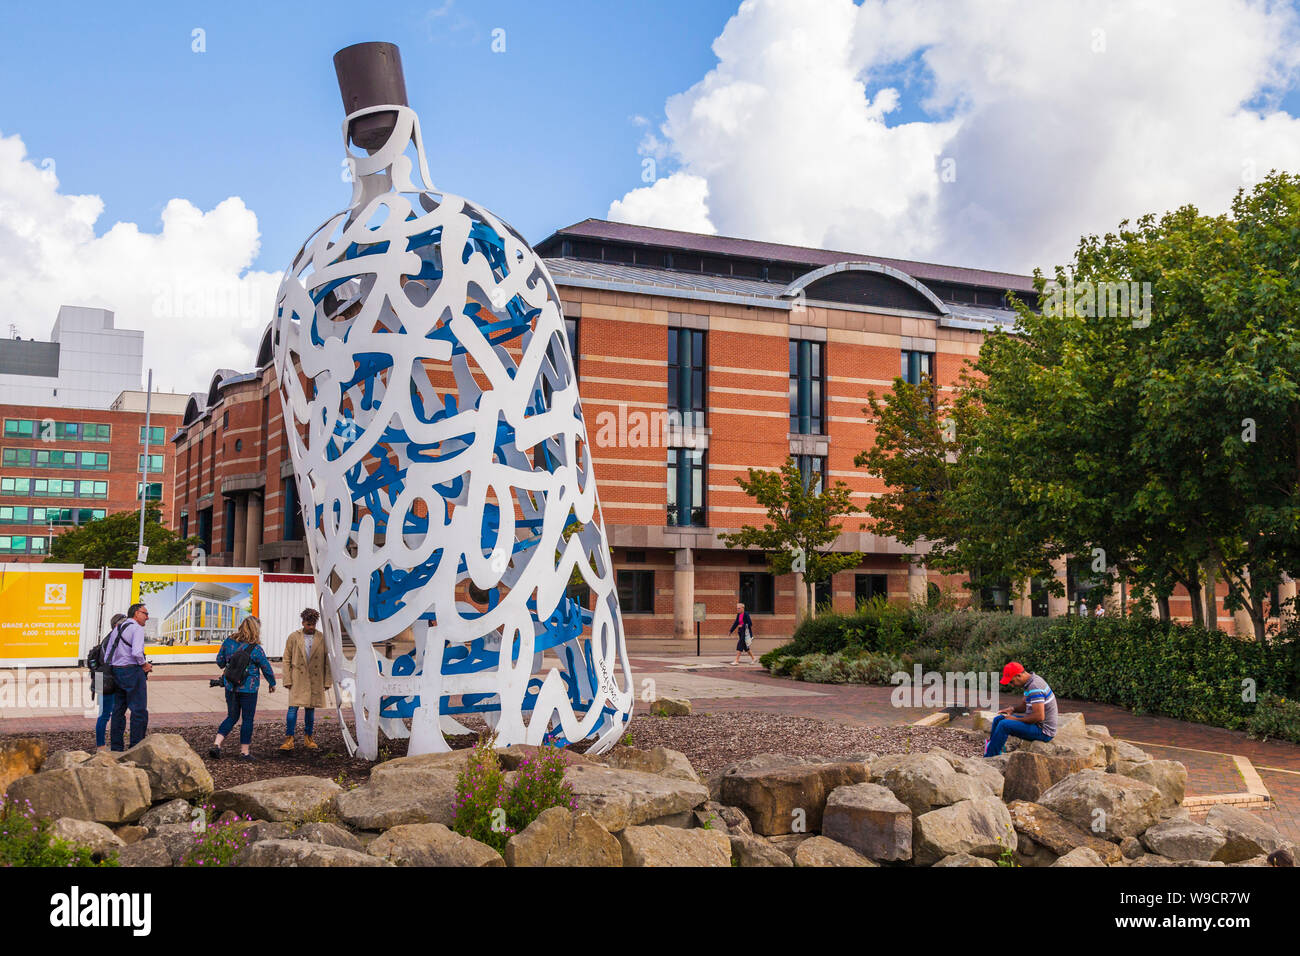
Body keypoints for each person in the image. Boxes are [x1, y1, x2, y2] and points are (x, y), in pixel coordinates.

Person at [209, 616, 276, 761]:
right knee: (247, 719)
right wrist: (272, 683)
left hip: (230, 686)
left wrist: (229, 664)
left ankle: (217, 744)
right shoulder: (257, 649)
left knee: (232, 716)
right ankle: (244, 752)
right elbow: (266, 668)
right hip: (249, 689)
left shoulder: (228, 642)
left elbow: (219, 661)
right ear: (255, 629)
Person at [279, 608, 331, 752]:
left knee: (310, 710)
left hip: (314, 678)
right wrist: (287, 679)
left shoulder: (322, 638)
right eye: (309, 624)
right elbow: (286, 659)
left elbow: (327, 660)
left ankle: (308, 737)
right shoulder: (294, 637)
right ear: (303, 623)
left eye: (313, 624)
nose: (311, 627)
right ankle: (289, 738)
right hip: (297, 679)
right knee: (292, 709)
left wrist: (327, 681)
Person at [984, 661, 1058, 757]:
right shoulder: (1029, 683)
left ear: (1019, 675)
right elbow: (1024, 706)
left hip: (1044, 731)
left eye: (1012, 681)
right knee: (998, 719)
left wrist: (1015, 719)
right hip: (1036, 725)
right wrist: (1012, 709)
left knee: (1004, 725)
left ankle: (990, 757)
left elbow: (1039, 716)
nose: (1012, 685)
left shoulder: (1035, 686)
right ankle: (993, 747)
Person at [108, 603, 153, 751]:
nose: (147, 617)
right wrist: (145, 665)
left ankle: (116, 747)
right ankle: (136, 747)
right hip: (132, 671)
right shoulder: (137, 628)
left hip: (116, 671)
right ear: (136, 613)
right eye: (145, 613)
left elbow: (109, 652)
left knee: (118, 711)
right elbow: (137, 653)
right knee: (139, 710)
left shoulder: (117, 628)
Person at [94, 613, 126, 752]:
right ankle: (101, 746)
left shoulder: (108, 638)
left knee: (107, 713)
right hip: (108, 680)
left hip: (102, 678)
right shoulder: (113, 640)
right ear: (117, 625)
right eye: (124, 624)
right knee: (106, 714)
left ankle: (103, 744)